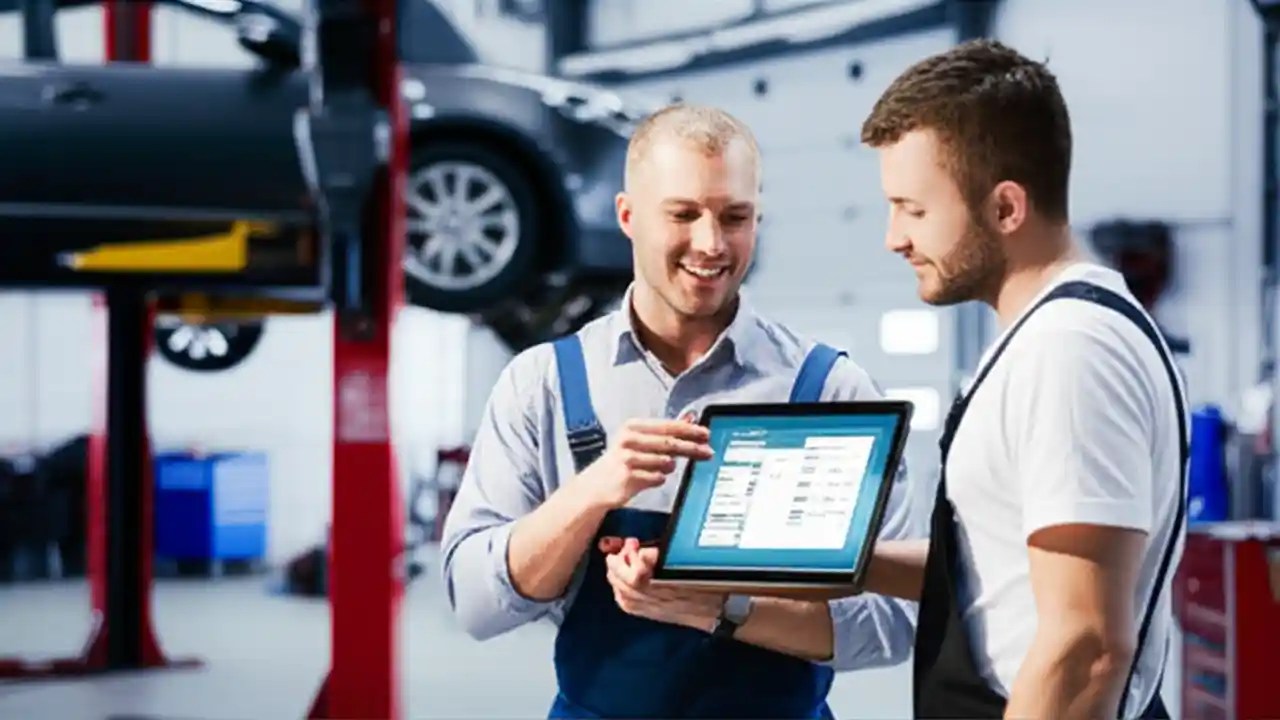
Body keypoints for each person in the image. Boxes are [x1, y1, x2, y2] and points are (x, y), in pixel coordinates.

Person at [440, 103, 923, 719]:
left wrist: (721, 608)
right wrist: (589, 495)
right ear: (628, 216)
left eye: (735, 216)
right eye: (684, 214)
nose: (711, 243)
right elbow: (476, 603)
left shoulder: (828, 391)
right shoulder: (545, 385)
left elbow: (889, 624)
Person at [855, 39, 1188, 719]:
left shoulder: (1070, 350)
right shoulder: (1037, 337)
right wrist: (827, 564)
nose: (894, 236)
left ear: (1006, 209)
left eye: (913, 209)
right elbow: (995, 573)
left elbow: (1087, 646)